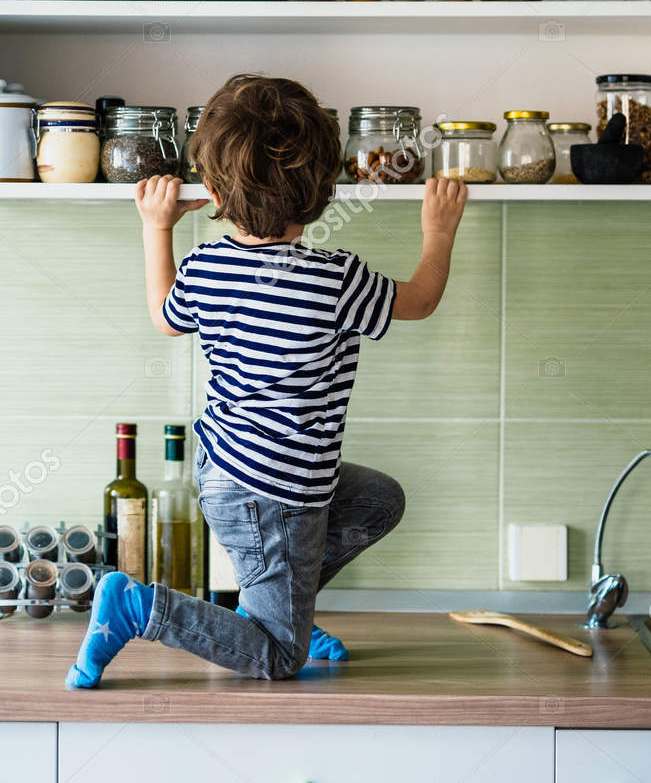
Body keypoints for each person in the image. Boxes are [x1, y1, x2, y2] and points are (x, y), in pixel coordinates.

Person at [67, 74, 467, 689]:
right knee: (280, 660)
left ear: (216, 187)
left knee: (378, 500)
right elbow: (420, 300)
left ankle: (285, 614)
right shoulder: (337, 280)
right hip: (272, 493)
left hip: (234, 473)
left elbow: (162, 317)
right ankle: (140, 609)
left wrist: (158, 226)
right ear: (323, 188)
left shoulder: (207, 267)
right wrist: (439, 231)